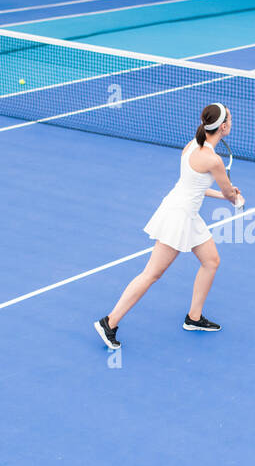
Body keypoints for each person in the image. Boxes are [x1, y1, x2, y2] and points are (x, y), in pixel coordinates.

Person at [94, 103, 242, 350]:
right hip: (178, 217)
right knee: (151, 274)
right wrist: (233, 196)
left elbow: (194, 186)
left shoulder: (193, 145)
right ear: (223, 126)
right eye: (231, 119)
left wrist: (223, 195)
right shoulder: (213, 160)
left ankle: (194, 317)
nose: (233, 122)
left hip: (185, 211)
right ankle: (109, 322)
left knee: (211, 261)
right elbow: (229, 194)